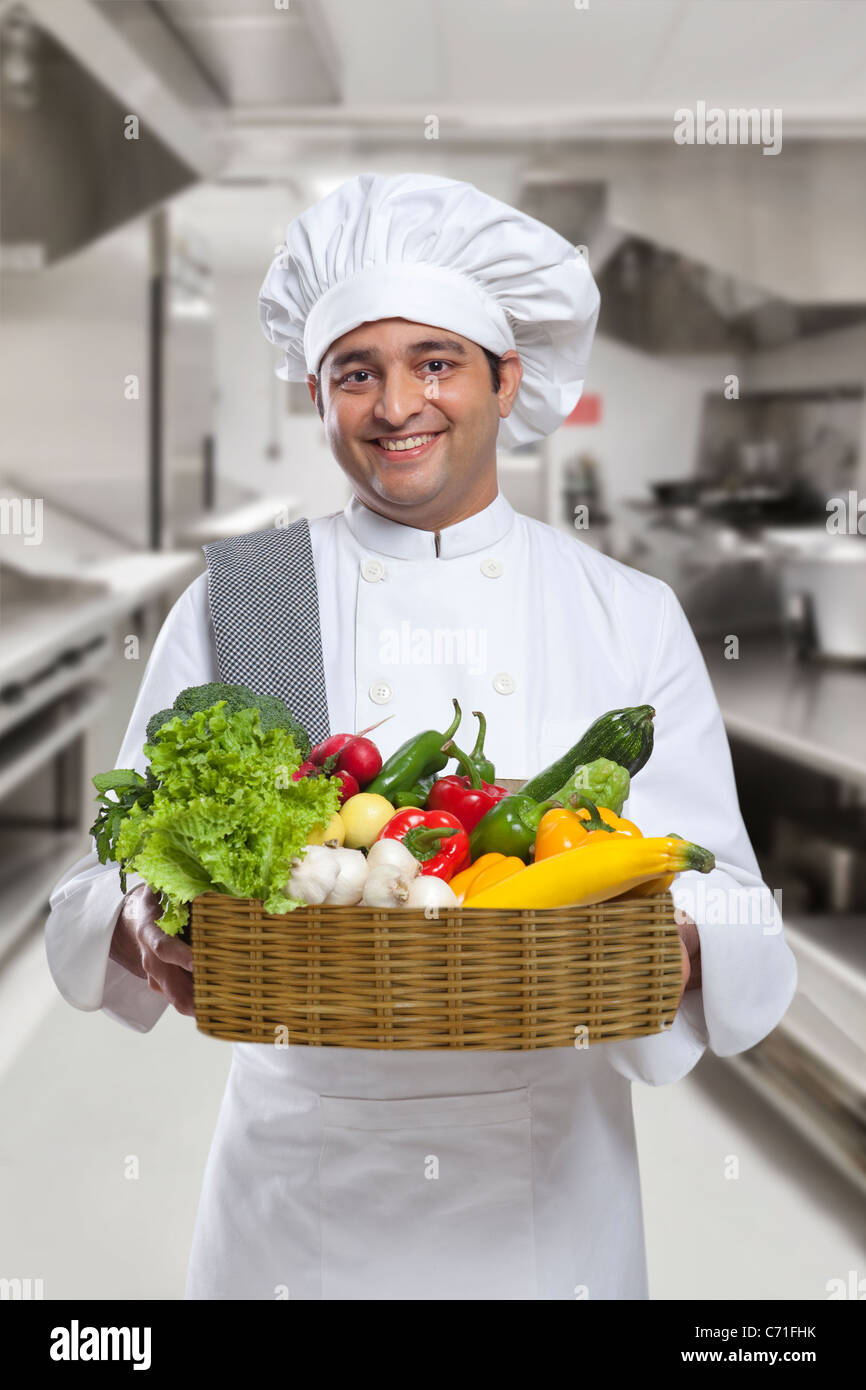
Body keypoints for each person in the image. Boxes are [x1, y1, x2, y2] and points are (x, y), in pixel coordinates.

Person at [46, 172, 797, 1301]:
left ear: (507, 378)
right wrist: (140, 924)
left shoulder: (621, 610)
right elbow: (115, 860)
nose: (397, 405)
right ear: (320, 396)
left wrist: (666, 948)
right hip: (296, 1183)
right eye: (358, 372)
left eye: (434, 362)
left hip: (542, 1192)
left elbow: (732, 904)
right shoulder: (248, 599)